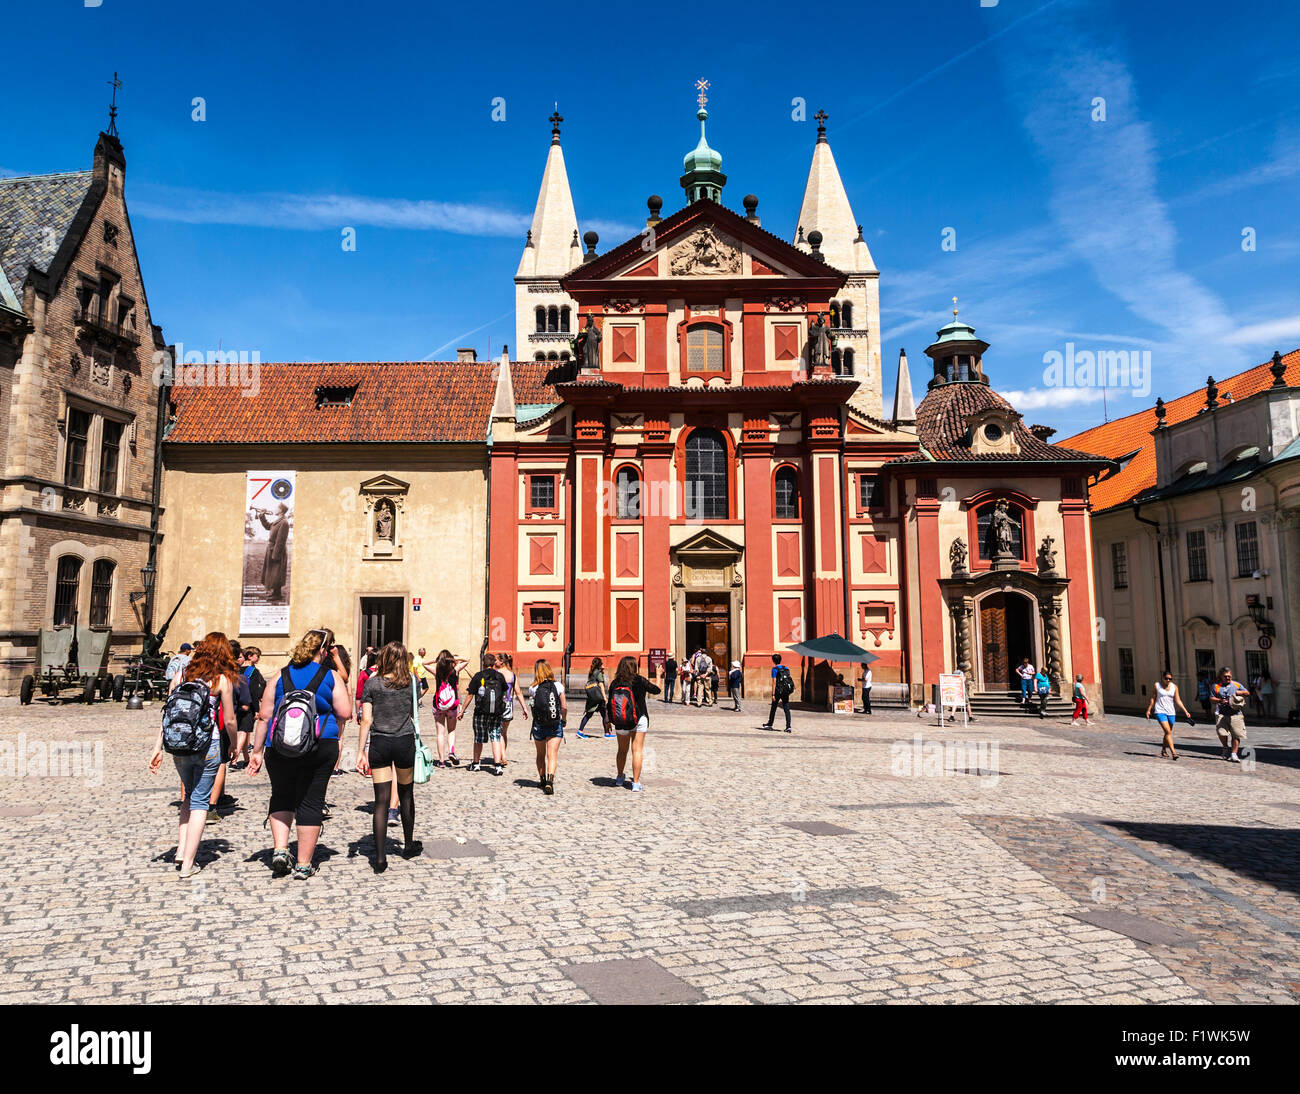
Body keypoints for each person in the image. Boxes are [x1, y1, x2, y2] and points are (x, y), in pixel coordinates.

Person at [249, 627, 352, 879]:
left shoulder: (281, 675)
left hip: (280, 745)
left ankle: (281, 850)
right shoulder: (330, 676)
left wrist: (257, 750)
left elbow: (264, 716)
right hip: (320, 744)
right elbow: (346, 712)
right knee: (311, 800)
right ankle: (304, 864)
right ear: (323, 651)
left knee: (281, 795)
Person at [149, 632, 238, 878]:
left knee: (188, 796)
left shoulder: (181, 675)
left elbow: (168, 713)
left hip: (179, 744)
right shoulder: (221, 680)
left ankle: (180, 852)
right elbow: (229, 719)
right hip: (208, 744)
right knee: (200, 800)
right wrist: (235, 744)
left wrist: (158, 747)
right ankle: (188, 863)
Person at [355, 641, 423, 872]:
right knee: (406, 794)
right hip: (404, 742)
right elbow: (415, 708)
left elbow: (366, 720)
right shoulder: (411, 683)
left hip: (380, 743)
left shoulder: (372, 684)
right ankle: (408, 844)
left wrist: (360, 751)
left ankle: (381, 857)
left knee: (381, 800)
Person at [609, 656, 660, 792]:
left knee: (622, 750)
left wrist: (608, 720)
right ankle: (636, 783)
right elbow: (656, 690)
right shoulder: (639, 680)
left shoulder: (615, 683)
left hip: (621, 721)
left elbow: (609, 703)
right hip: (640, 718)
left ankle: (620, 778)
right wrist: (659, 676)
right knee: (637, 750)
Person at [458, 653, 507, 775]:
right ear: (493, 663)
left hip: (480, 712)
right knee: (495, 737)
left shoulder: (478, 676)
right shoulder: (500, 676)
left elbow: (470, 695)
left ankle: (475, 764)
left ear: (483, 663)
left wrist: (462, 710)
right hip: (496, 713)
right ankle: (497, 766)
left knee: (478, 737)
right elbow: (504, 694)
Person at [529, 659, 566, 794]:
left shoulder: (533, 688)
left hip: (539, 724)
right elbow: (564, 706)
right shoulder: (558, 686)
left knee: (540, 754)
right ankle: (550, 781)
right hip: (555, 724)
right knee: (552, 755)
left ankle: (542, 780)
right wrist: (564, 720)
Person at [431, 650, 467, 767]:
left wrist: (436, 660)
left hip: (439, 706)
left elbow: (424, 664)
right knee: (451, 730)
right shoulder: (454, 671)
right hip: (452, 706)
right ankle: (451, 752)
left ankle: (441, 761)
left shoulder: (436, 672)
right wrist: (454, 660)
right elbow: (467, 660)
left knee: (440, 734)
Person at [1145, 670, 1191, 759]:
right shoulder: (1157, 686)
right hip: (1160, 711)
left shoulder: (1174, 687)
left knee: (1167, 733)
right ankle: (1174, 753)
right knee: (1168, 731)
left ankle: (1163, 750)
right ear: (1163, 678)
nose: (1168, 680)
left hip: (1171, 712)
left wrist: (1186, 711)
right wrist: (1149, 709)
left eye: (1170, 679)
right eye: (1166, 678)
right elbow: (1153, 698)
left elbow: (1178, 700)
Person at [496, 652, 531, 762]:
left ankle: (502, 756)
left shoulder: (496, 674)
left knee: (498, 732)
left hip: (497, 705)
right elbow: (519, 692)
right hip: (508, 705)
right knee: (504, 732)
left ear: (501, 661)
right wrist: (524, 708)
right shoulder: (512, 675)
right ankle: (503, 754)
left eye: (496, 660)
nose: (494, 661)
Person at [1212, 667, 1251, 762]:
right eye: (1225, 676)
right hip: (1222, 713)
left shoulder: (1236, 684)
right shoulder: (1216, 686)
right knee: (1222, 733)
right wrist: (1220, 700)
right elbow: (1212, 698)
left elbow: (1247, 693)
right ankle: (1225, 747)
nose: (1228, 678)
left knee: (1236, 734)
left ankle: (1234, 754)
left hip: (1236, 713)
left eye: (1229, 676)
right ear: (1221, 676)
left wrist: (1239, 692)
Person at [236, 645, 266, 768]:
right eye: (257, 656)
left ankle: (246, 759)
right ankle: (234, 760)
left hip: (235, 704)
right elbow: (253, 692)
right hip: (248, 705)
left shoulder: (236, 669)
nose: (258, 658)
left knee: (244, 731)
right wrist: (257, 710)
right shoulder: (253, 671)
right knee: (243, 731)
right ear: (250, 656)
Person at [761, 653, 794, 733]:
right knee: (786, 708)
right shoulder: (786, 668)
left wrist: (773, 694)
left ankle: (770, 724)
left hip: (778, 691)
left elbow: (774, 682)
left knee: (773, 708)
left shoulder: (774, 669)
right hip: (785, 691)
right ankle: (788, 726)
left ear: (773, 661)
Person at [577, 657, 609, 738]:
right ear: (600, 665)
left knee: (589, 714)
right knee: (604, 714)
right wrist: (605, 698)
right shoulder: (599, 673)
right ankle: (607, 733)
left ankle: (580, 731)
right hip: (598, 697)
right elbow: (601, 686)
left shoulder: (591, 672)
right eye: (602, 664)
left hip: (592, 697)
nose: (603, 665)